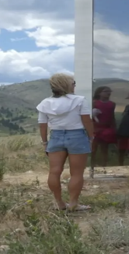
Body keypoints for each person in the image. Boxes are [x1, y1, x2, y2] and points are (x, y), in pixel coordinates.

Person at [36, 72, 94, 212]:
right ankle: (73, 203)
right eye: (73, 83)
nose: (74, 86)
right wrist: (91, 137)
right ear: (67, 85)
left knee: (54, 172)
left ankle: (59, 203)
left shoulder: (45, 103)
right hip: (77, 136)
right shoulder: (79, 100)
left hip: (55, 136)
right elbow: (86, 120)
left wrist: (45, 142)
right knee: (77, 173)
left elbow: (42, 125)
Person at [90, 86, 118, 171]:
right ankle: (92, 165)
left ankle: (104, 165)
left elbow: (112, 116)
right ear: (99, 93)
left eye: (109, 91)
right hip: (96, 127)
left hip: (106, 128)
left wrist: (114, 127)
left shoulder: (112, 104)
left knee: (104, 148)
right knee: (93, 148)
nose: (108, 93)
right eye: (105, 91)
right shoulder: (94, 102)